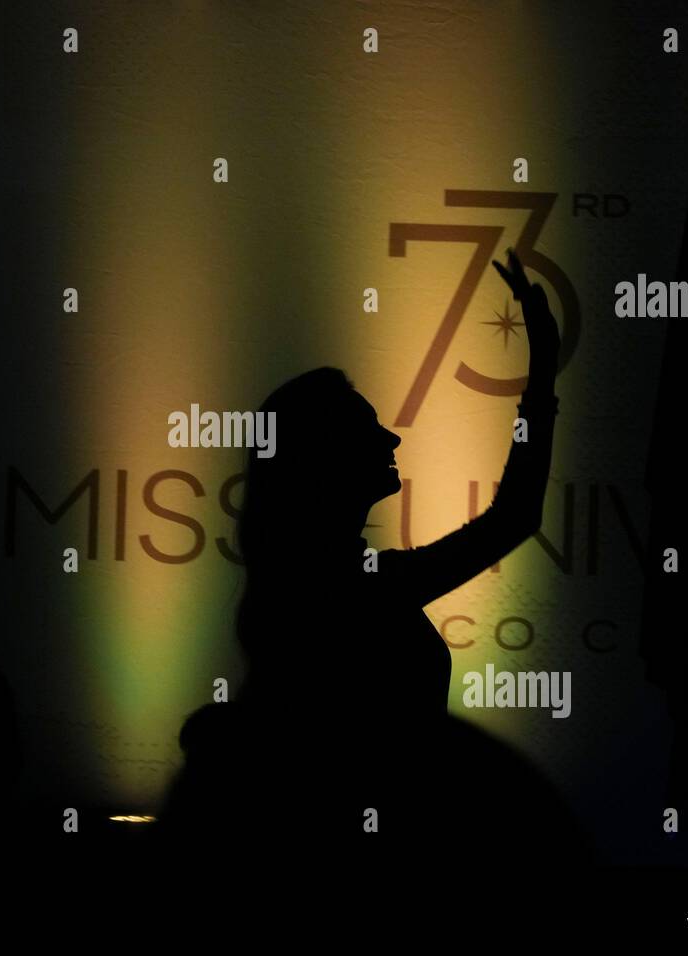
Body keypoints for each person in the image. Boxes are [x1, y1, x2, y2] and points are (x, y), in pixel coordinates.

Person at [158, 250, 578, 854]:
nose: (391, 437)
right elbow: (512, 520)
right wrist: (541, 379)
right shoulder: (353, 589)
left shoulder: (321, 580)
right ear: (323, 462)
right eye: (367, 430)